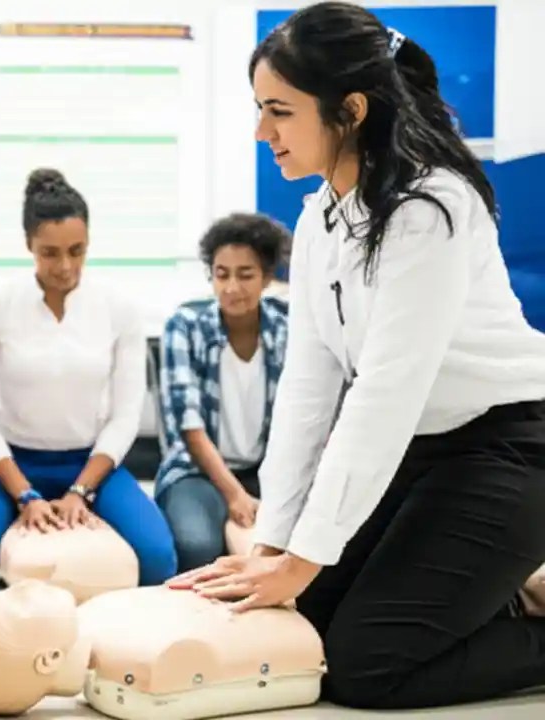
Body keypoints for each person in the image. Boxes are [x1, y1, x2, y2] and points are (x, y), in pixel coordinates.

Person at [169, 1, 545, 710]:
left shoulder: (431, 207)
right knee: (304, 619)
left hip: (511, 449)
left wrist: (304, 559)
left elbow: (384, 396)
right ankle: (503, 587)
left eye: (279, 112)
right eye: (259, 110)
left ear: (350, 111)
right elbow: (309, 391)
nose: (261, 132)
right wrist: (273, 547)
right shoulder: (321, 217)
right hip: (423, 450)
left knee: (366, 666)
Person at [0, 168, 178, 589]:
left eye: (77, 251)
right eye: (50, 253)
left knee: (157, 560)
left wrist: (81, 492)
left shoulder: (119, 308)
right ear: (28, 245)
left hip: (90, 462)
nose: (65, 266)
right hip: (11, 461)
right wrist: (24, 495)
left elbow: (126, 416)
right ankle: (18, 534)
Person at [155, 213, 291, 571]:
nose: (232, 287)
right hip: (197, 470)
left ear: (267, 277)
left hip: (266, 469)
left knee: (292, 548)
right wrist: (235, 495)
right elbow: (189, 427)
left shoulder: (288, 328)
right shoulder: (185, 327)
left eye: (245, 275)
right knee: (198, 547)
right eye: (221, 274)